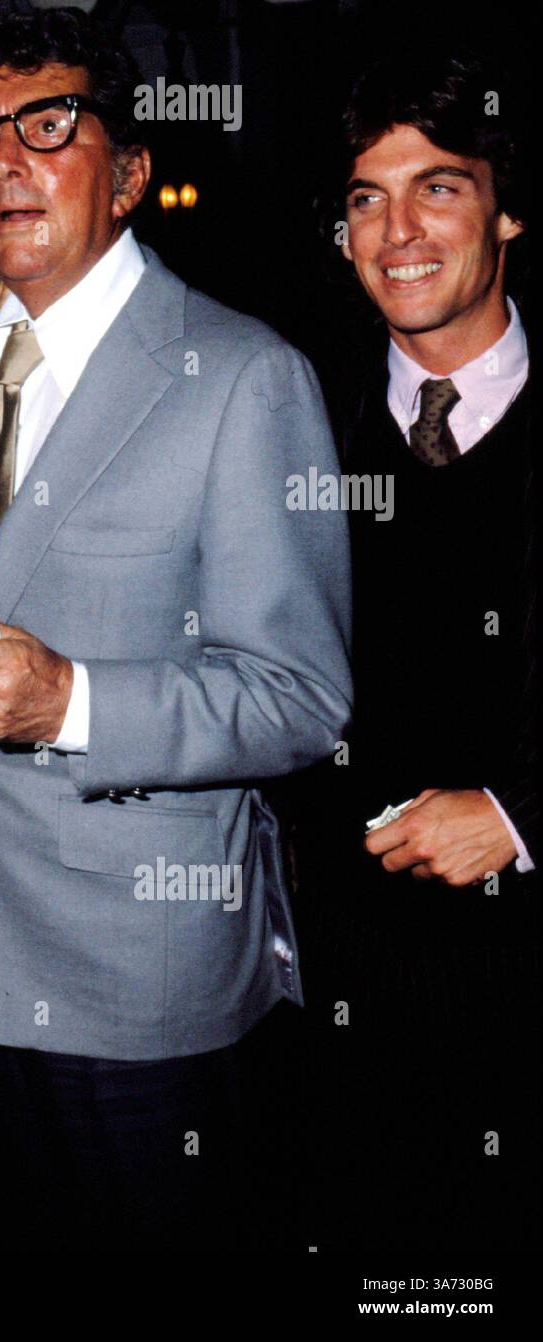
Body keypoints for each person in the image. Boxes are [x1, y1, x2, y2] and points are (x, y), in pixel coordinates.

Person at [0, 7, 352, 1249]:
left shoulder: (244, 375)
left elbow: (300, 698)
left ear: (134, 176)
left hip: (141, 975)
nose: (6, 161)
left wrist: (73, 705)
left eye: (50, 125)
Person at [294, 49, 536, 1250]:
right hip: (342, 994)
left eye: (437, 188)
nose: (395, 230)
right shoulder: (285, 417)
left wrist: (517, 810)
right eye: (364, 198)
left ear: (506, 209)